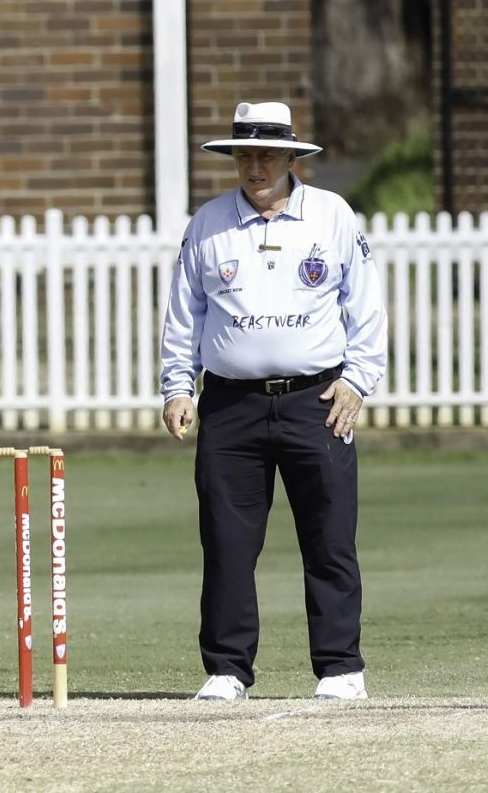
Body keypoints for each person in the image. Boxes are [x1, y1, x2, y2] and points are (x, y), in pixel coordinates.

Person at [159, 101, 387, 701]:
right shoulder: (208, 223)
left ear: (291, 157)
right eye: (244, 154)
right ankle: (227, 668)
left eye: (266, 154)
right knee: (228, 541)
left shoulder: (331, 216)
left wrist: (359, 381)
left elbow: (366, 307)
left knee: (329, 535)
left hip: (317, 398)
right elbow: (185, 315)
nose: (254, 165)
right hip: (230, 405)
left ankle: (340, 667)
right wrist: (178, 387)